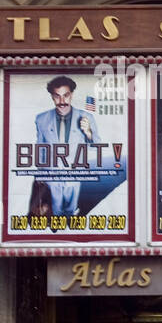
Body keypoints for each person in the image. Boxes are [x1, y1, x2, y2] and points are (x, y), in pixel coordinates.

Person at [34, 75, 99, 217]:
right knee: (55, 208)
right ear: (52, 97)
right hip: (52, 173)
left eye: (66, 95)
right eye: (57, 96)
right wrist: (40, 172)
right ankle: (58, 229)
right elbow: (40, 146)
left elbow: (97, 146)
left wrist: (88, 133)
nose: (62, 101)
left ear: (72, 95)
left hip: (75, 173)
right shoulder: (41, 119)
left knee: (71, 209)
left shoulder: (87, 117)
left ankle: (71, 226)